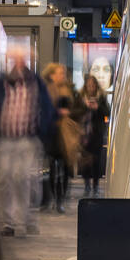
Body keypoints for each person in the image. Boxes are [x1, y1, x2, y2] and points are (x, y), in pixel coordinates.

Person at [0, 46, 54, 237]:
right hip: (5, 139)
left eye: (21, 59)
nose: (18, 63)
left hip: (28, 139)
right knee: (4, 180)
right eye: (14, 60)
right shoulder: (1, 82)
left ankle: (23, 220)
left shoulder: (35, 83)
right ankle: (8, 222)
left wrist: (43, 133)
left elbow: (47, 109)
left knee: (24, 178)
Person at [41, 63, 79, 214]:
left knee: (65, 167)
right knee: (51, 167)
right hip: (52, 132)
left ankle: (60, 200)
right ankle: (52, 198)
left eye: (63, 72)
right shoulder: (46, 90)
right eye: (59, 73)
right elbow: (42, 110)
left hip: (66, 133)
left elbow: (77, 108)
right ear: (51, 75)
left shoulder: (69, 89)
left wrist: (69, 112)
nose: (62, 75)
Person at [77, 73, 110, 198]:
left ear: (96, 86)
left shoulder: (101, 98)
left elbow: (107, 112)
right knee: (85, 161)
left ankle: (95, 186)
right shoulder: (80, 97)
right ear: (86, 86)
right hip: (84, 134)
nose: (91, 87)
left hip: (96, 134)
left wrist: (97, 107)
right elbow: (75, 112)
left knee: (96, 161)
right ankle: (87, 185)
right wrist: (85, 107)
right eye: (89, 85)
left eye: (93, 85)